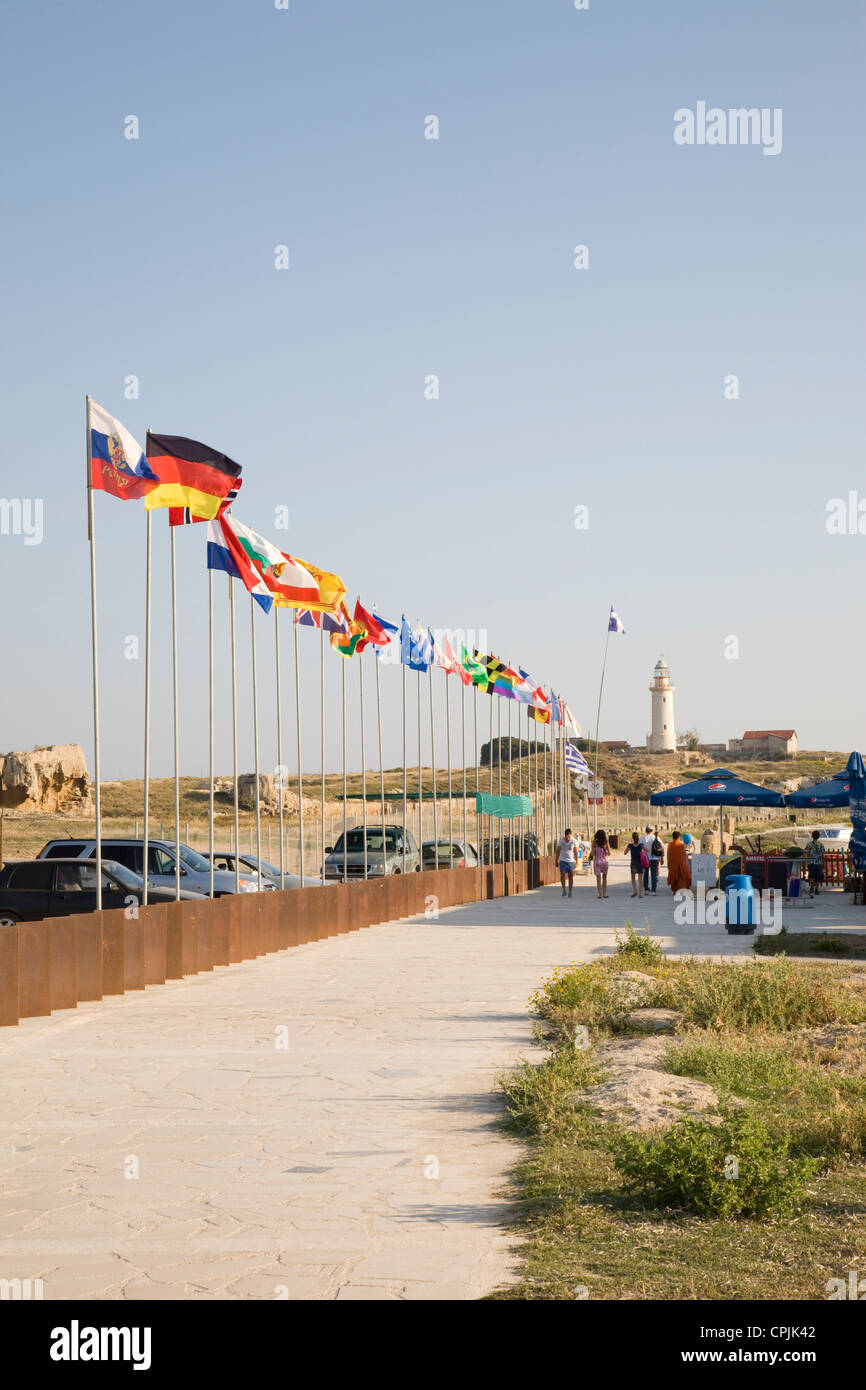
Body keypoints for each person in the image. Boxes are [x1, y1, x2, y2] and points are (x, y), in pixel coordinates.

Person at [555, 828, 578, 898]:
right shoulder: (561, 840)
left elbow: (576, 852)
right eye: (567, 837)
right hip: (563, 860)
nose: (569, 838)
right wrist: (556, 860)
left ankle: (570, 892)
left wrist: (577, 861)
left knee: (570, 877)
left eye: (570, 836)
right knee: (562, 875)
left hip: (571, 861)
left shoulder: (574, 841)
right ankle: (564, 890)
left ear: (571, 835)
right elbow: (558, 850)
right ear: (565, 835)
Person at [805, 830, 825, 898]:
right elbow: (823, 854)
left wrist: (807, 861)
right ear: (818, 836)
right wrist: (823, 862)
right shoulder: (821, 844)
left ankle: (811, 887)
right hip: (818, 862)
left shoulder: (809, 844)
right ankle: (816, 889)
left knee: (811, 875)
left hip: (811, 862)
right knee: (818, 876)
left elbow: (807, 853)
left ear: (812, 836)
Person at [591, 829, 610, 899]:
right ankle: (604, 894)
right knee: (604, 878)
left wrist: (594, 851)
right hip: (605, 862)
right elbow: (609, 853)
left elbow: (592, 854)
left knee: (598, 879)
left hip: (597, 862)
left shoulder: (594, 843)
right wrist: (605, 852)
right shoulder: (606, 842)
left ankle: (600, 895)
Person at [625, 831, 645, 898]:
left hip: (633, 862)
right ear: (638, 837)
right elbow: (646, 850)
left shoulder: (630, 845)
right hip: (640, 862)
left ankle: (635, 891)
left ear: (632, 838)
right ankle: (640, 893)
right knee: (640, 879)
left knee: (633, 878)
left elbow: (625, 853)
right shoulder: (641, 845)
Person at [639, 825, 655, 893]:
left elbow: (640, 847)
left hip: (645, 858)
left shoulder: (642, 838)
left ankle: (646, 889)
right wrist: (661, 857)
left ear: (646, 830)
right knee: (653, 874)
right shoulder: (655, 837)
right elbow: (662, 846)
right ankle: (653, 889)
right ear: (652, 830)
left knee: (645, 874)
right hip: (654, 858)